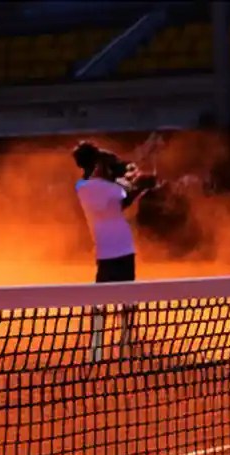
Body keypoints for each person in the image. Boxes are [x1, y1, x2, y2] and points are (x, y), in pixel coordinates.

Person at [73, 141, 156, 361]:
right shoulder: (101, 188)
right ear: (96, 164)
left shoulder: (84, 186)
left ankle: (99, 345)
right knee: (121, 298)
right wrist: (140, 182)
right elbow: (125, 198)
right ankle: (122, 341)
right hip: (119, 249)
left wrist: (128, 177)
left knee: (104, 299)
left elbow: (121, 190)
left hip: (108, 250)